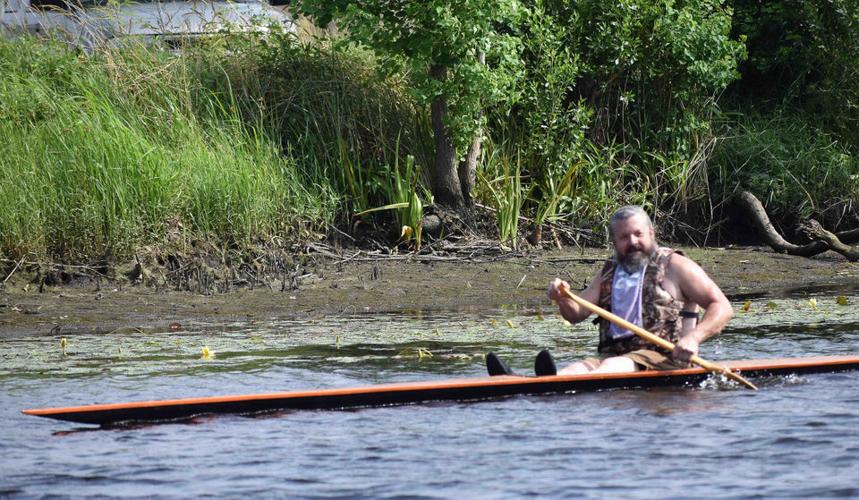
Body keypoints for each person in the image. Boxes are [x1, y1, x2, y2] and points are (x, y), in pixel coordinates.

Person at [486, 205, 733, 376]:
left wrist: (693, 338)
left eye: (638, 234)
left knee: (614, 365)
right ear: (615, 243)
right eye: (625, 237)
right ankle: (537, 381)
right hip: (615, 359)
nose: (633, 242)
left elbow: (721, 306)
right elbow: (576, 314)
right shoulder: (610, 270)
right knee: (578, 368)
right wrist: (562, 298)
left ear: (652, 234)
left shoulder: (676, 266)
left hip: (667, 360)